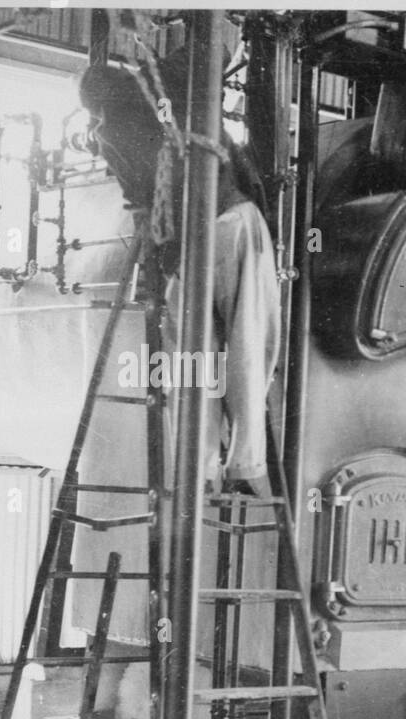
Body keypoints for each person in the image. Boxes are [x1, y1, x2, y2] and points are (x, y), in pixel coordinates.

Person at [78, 57, 279, 495]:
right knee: (249, 337)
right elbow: (212, 51)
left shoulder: (107, 136)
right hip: (230, 220)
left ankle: (199, 469)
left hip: (181, 252)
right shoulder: (160, 94)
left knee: (190, 364)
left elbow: (139, 204)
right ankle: (247, 463)